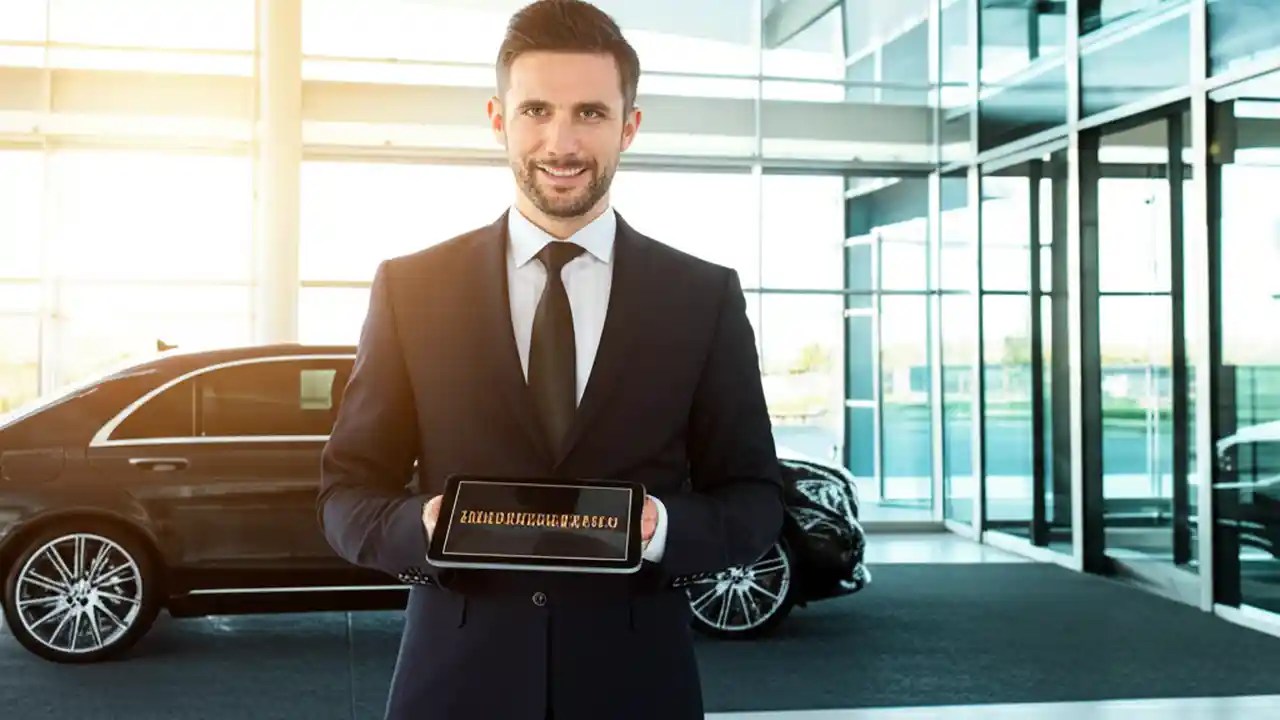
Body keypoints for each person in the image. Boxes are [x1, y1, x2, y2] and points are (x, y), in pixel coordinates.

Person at [317, 1, 783, 718]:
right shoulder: (412, 290)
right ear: (499, 119)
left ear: (629, 125)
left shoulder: (701, 297)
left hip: (636, 689)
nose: (561, 143)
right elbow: (348, 493)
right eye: (536, 109)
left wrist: (664, 528)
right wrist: (424, 528)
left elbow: (753, 498)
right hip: (454, 686)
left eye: (590, 113)